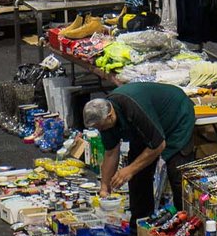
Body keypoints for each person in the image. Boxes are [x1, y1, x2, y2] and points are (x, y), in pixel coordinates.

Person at [83, 83, 196, 221]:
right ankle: (140, 228)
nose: (100, 130)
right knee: (137, 178)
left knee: (178, 176)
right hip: (145, 129)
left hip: (176, 118)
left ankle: (186, 225)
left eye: (100, 126)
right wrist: (104, 188)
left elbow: (158, 145)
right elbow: (111, 152)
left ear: (110, 116)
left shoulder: (132, 106)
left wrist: (129, 169)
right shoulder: (104, 122)